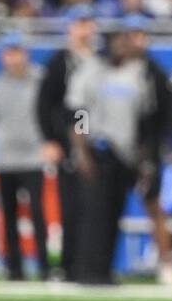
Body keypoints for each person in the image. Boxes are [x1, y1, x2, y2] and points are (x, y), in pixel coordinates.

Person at [66, 22, 155, 285]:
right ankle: (85, 269)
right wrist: (82, 151)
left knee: (115, 212)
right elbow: (78, 112)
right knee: (94, 212)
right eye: (117, 41)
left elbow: (142, 118)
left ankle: (104, 269)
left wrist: (143, 158)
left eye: (124, 41)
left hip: (124, 152)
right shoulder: (90, 71)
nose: (121, 46)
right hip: (98, 148)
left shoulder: (136, 74)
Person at [36, 6, 97, 281]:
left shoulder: (101, 60)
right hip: (68, 143)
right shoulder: (59, 62)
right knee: (71, 205)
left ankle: (95, 265)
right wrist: (50, 139)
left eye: (87, 25)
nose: (83, 31)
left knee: (97, 205)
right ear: (70, 29)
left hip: (97, 144)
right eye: (78, 25)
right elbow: (44, 104)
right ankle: (71, 265)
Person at [0, 34, 48, 280]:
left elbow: (55, 114)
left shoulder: (40, 80)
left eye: (18, 51)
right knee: (8, 216)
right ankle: (14, 268)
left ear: (26, 53)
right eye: (9, 52)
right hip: (5, 159)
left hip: (34, 158)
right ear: (2, 56)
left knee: (38, 214)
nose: (14, 58)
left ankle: (45, 266)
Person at [125, 16, 172, 286]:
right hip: (115, 148)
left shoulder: (154, 73)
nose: (137, 41)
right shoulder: (109, 68)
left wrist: (157, 147)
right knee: (104, 207)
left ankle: (166, 263)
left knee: (155, 207)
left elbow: (168, 113)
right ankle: (96, 262)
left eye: (141, 35)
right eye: (132, 35)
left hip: (147, 149)